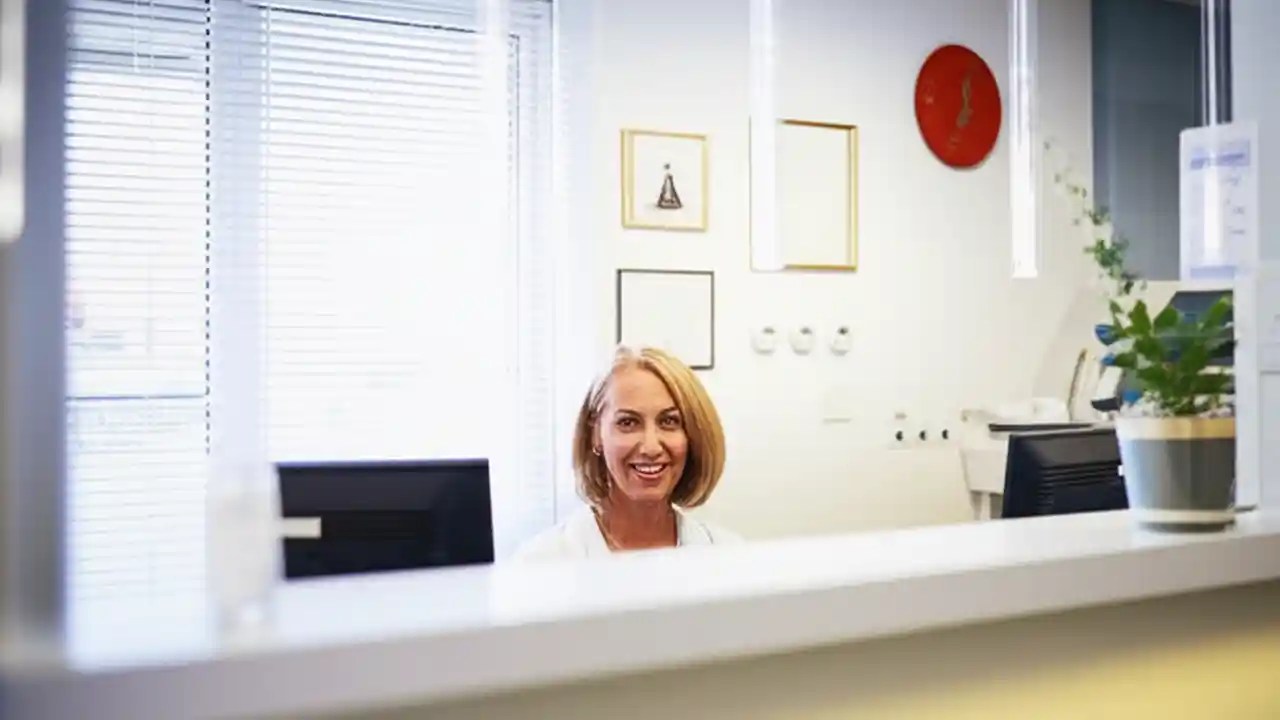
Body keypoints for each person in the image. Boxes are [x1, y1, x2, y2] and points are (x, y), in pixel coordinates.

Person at [514, 346, 739, 561]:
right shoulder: (541, 563)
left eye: (669, 421)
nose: (651, 448)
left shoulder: (729, 555)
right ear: (596, 434)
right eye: (628, 422)